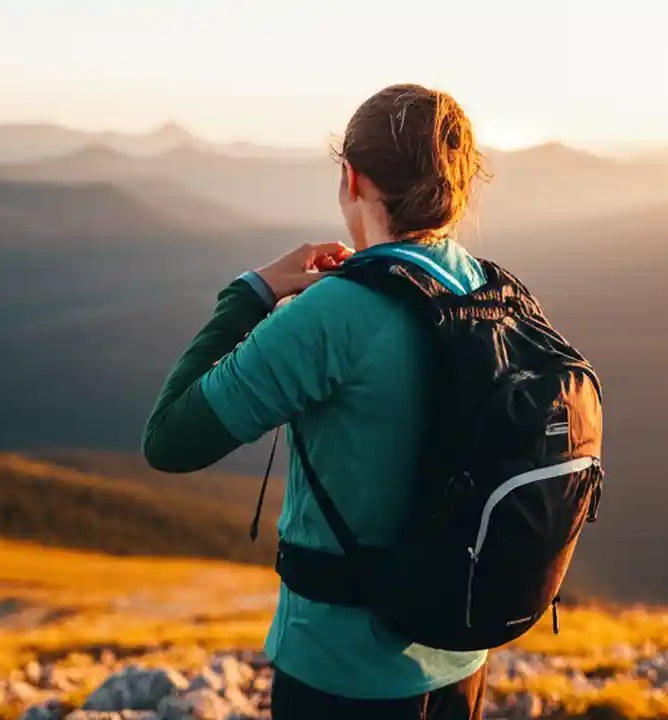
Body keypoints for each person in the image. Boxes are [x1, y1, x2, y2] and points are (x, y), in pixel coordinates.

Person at [141, 83, 490, 719]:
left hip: (342, 672)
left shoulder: (334, 312)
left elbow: (168, 439)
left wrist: (251, 291)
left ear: (351, 178)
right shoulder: (485, 289)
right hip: (461, 660)